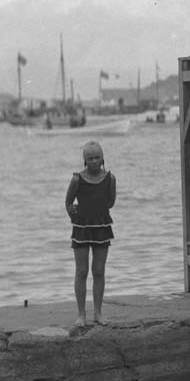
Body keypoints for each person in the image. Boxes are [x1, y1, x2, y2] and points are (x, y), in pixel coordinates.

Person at [66, 141, 116, 328]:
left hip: (102, 226)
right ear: (84, 161)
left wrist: (96, 210)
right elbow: (68, 203)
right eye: (90, 158)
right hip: (81, 227)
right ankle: (81, 314)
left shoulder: (110, 179)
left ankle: (98, 312)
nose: (94, 161)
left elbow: (110, 202)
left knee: (99, 271)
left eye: (97, 158)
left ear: (103, 158)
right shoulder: (77, 179)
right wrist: (76, 216)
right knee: (81, 271)